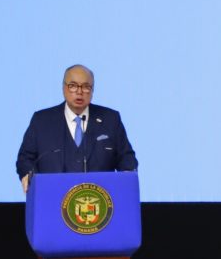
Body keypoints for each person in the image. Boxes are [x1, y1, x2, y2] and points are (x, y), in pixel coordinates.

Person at [16, 64, 137, 192]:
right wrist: (29, 175)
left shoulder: (110, 119)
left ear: (92, 90)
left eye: (86, 87)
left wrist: (127, 175)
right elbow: (25, 159)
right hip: (52, 197)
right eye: (73, 86)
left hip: (100, 202)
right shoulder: (42, 120)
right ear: (63, 87)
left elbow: (126, 157)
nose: (79, 92)